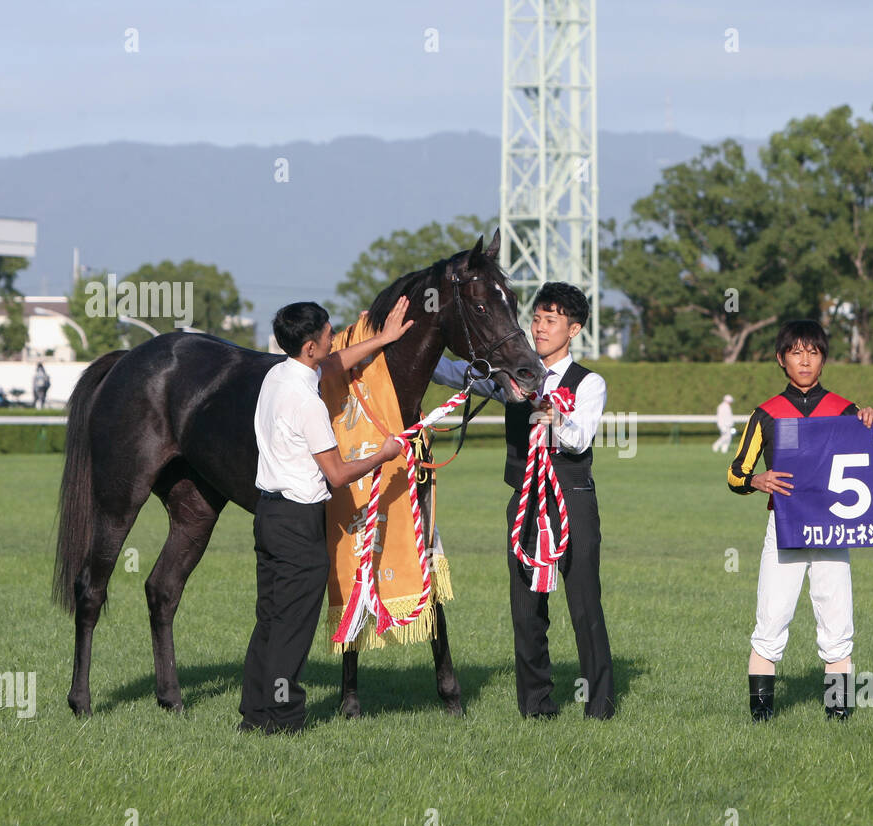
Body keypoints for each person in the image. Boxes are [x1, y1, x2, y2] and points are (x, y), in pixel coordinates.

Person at [432, 282, 615, 719]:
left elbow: (578, 439)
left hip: (572, 497)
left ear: (574, 330)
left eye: (551, 320)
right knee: (526, 608)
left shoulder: (589, 383)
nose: (539, 327)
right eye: (536, 318)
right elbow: (454, 373)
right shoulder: (511, 376)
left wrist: (555, 418)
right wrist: (399, 340)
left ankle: (600, 707)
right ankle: (536, 708)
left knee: (584, 603)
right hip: (525, 500)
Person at [239, 298, 411, 734]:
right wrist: (383, 454)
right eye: (328, 335)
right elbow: (336, 473)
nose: (334, 340)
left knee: (271, 619)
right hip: (299, 523)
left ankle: (255, 714)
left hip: (269, 516)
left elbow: (332, 365)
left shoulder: (279, 374)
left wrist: (383, 339)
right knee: (293, 628)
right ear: (310, 346)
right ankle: (284, 718)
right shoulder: (308, 403)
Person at [728, 320, 873, 721]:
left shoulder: (849, 411)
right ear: (781, 359)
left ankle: (838, 715)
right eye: (796, 352)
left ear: (824, 359)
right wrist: (758, 480)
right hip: (784, 528)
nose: (805, 360)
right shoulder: (765, 413)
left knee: (837, 623)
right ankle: (761, 716)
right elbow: (735, 475)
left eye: (813, 352)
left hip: (834, 530)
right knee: (771, 617)